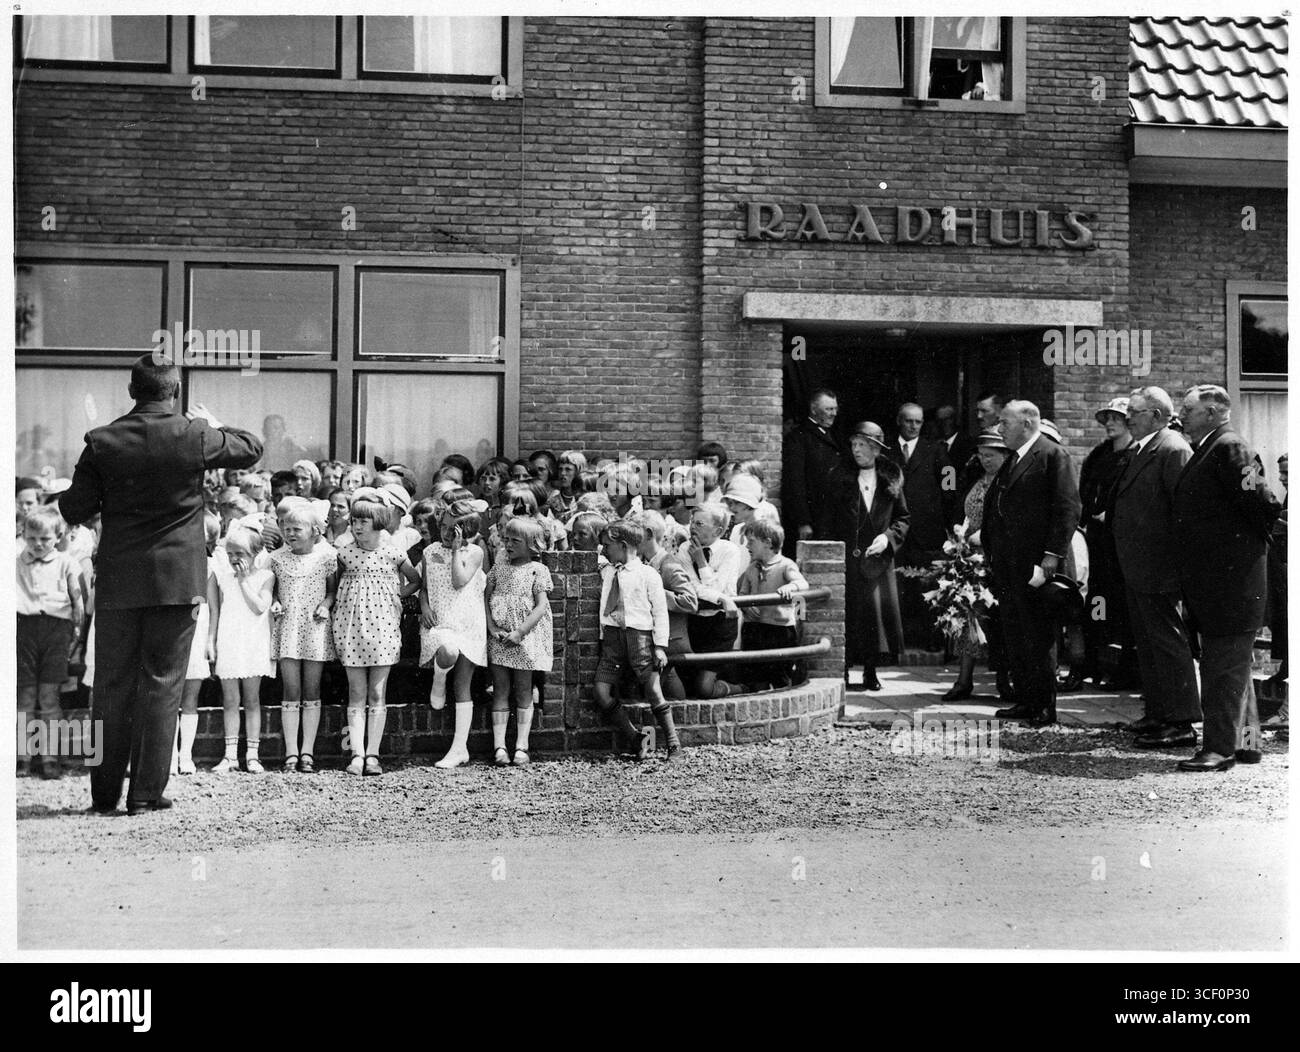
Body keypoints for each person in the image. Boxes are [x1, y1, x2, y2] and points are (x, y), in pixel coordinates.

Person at [60, 354, 263, 815]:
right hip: (176, 580)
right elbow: (250, 448)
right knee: (163, 682)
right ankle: (146, 793)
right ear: (173, 392)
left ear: (133, 391)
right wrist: (213, 423)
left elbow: (74, 508)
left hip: (118, 580)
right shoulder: (193, 435)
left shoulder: (102, 440)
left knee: (109, 686)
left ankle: (104, 795)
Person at [1172, 385, 1282, 772]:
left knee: (1222, 668)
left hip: (1232, 583)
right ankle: (1248, 744)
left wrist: (1240, 550)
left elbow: (1265, 503)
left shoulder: (1229, 446)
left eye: (1188, 408)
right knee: (1232, 666)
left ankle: (1219, 750)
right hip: (1218, 581)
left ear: (1215, 411)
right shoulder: (1210, 447)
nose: (1181, 415)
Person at [1111, 387, 1202, 748]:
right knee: (1149, 644)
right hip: (1140, 565)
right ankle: (1159, 713)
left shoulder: (1173, 449)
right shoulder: (1147, 448)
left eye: (1134, 412)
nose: (1128, 417)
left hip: (1160, 566)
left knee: (1168, 643)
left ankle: (1180, 722)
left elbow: (1185, 512)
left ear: (1156, 415)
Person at [983, 400, 1082, 726]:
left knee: (1039, 636)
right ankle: (1025, 699)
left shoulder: (1052, 456)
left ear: (1026, 424)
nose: (999, 429)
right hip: (1011, 567)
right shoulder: (1015, 459)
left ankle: (1043, 706)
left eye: (1005, 423)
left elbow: (1067, 508)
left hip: (1039, 567)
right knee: (1016, 633)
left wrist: (1052, 556)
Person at [332, 490, 423, 776]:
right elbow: (334, 589)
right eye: (355, 521)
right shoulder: (344, 553)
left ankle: (373, 753)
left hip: (383, 629)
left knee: (377, 692)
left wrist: (393, 596)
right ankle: (356, 754)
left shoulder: (393, 552)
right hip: (352, 629)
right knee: (356, 692)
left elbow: (415, 580)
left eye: (364, 521)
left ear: (379, 522)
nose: (357, 526)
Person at [591, 519, 681, 760]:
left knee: (653, 689)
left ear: (622, 545)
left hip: (640, 638)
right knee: (601, 691)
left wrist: (660, 647)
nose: (604, 550)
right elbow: (595, 558)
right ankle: (634, 737)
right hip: (613, 638)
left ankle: (673, 742)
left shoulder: (647, 574)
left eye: (608, 545)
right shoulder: (607, 570)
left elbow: (660, 612)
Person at [829, 422, 909, 692]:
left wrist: (887, 538)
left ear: (876, 449)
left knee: (873, 616)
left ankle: (870, 671)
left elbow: (903, 518)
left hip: (878, 560)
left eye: (862, 445)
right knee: (849, 614)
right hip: (848, 560)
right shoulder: (840, 476)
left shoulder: (890, 479)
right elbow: (828, 519)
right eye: (853, 445)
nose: (856, 450)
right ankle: (843, 671)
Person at [268, 499, 338, 774]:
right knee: (291, 690)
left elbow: (332, 591)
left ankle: (307, 751)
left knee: (312, 690)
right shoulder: (276, 559)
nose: (290, 534)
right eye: (286, 529)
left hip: (314, 629)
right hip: (288, 630)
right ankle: (290, 753)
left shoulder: (326, 558)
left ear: (315, 532)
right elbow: (272, 590)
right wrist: (274, 601)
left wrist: (325, 605)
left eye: (297, 529)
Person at [16, 504, 85, 779]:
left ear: (58, 536)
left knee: (49, 697)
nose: (37, 544)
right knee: (25, 697)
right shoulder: (14, 560)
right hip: (25, 628)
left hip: (57, 630)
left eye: (44, 539)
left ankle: (49, 757)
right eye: (31, 538)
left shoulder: (67, 562)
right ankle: (23, 756)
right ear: (23, 534)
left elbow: (77, 600)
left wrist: (76, 634)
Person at [419, 499, 488, 769]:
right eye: (444, 527)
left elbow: (459, 581)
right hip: (440, 624)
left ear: (467, 530)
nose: (447, 534)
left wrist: (458, 549)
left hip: (468, 623)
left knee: (463, 687)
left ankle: (459, 749)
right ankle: (438, 678)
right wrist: (424, 607)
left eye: (454, 529)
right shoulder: (429, 551)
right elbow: (424, 587)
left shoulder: (474, 553)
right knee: (447, 651)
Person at [943, 430, 1010, 701]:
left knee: (1001, 621)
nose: (986, 461)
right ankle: (963, 680)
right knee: (970, 616)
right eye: (982, 455)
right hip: (972, 559)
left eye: (991, 456)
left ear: (1005, 456)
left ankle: (1005, 680)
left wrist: (984, 536)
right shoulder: (976, 479)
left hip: (999, 558)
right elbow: (965, 512)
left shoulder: (1009, 483)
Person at [1077, 397, 1137, 690]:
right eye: (1107, 419)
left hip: (1122, 542)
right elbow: (1084, 490)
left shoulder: (1136, 454)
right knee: (1096, 601)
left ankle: (1125, 666)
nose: (1111, 423)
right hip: (1097, 542)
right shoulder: (1099, 454)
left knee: (1125, 605)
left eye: (1117, 418)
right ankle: (1094, 662)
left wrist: (1111, 514)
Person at [208, 518, 276, 773]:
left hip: (254, 643)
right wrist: (212, 642)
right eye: (230, 554)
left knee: (252, 699)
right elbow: (216, 610)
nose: (234, 558)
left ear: (256, 553)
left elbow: (260, 607)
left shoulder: (265, 577)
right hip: (230, 641)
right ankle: (229, 756)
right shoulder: (221, 577)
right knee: (230, 699)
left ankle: (252, 754)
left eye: (240, 554)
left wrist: (245, 579)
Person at [485, 517, 554, 766]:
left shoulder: (538, 570)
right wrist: (492, 627)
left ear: (532, 545)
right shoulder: (498, 568)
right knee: (500, 689)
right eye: (507, 539)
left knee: (524, 690)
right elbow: (487, 598)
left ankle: (522, 746)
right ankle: (499, 746)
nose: (509, 544)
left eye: (516, 540)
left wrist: (520, 632)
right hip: (500, 638)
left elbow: (541, 606)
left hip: (522, 639)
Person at [628, 509, 698, 701]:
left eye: (636, 533)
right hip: (657, 638)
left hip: (671, 641)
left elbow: (690, 601)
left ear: (649, 534)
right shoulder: (644, 563)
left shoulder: (669, 564)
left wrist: (658, 594)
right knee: (665, 684)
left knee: (652, 686)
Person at [682, 502, 747, 698]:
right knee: (689, 684)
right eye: (692, 522)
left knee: (704, 688)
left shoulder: (730, 551)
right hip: (696, 621)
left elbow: (717, 587)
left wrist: (701, 562)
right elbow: (691, 586)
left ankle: (740, 689)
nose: (693, 527)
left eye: (700, 524)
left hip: (720, 623)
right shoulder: (685, 548)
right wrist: (720, 598)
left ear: (718, 530)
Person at [737, 520, 810, 690]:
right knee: (755, 674)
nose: (747, 545)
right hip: (754, 628)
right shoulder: (752, 568)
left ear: (768, 543)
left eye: (751, 542)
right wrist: (747, 607)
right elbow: (742, 594)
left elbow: (802, 583)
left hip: (779, 630)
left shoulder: (785, 565)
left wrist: (790, 587)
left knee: (780, 675)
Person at [175, 513, 220, 776]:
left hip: (197, 635)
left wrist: (211, 641)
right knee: (167, 700)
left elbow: (212, 608)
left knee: (189, 699)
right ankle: (166, 758)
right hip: (172, 635)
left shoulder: (209, 568)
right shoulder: (173, 560)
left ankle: (186, 756)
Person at [888, 402, 953, 566]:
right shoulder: (886, 450)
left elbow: (950, 486)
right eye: (909, 421)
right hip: (894, 528)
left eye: (918, 422)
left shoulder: (937, 449)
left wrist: (946, 520)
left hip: (927, 530)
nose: (913, 426)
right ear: (898, 421)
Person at [782, 389, 844, 550]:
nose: (834, 414)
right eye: (829, 409)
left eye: (835, 409)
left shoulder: (835, 435)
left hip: (832, 517)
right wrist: (803, 521)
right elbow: (795, 482)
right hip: (813, 519)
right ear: (814, 410)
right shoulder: (799, 437)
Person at [935, 404, 975, 477]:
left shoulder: (968, 443)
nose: (943, 423)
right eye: (940, 420)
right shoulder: (934, 445)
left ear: (956, 420)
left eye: (947, 419)